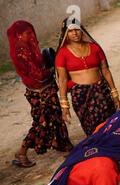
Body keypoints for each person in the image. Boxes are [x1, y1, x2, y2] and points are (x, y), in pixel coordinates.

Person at [7, 21, 73, 168]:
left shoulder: (30, 46)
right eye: (27, 33)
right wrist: (55, 68)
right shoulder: (20, 51)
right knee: (42, 123)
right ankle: (22, 152)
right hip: (38, 91)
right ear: (18, 35)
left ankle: (65, 145)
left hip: (47, 87)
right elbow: (37, 74)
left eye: (31, 32)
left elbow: (41, 64)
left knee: (56, 116)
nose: (31, 36)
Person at [55, 17, 119, 136]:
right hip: (81, 96)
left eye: (77, 29)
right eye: (70, 30)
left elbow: (105, 71)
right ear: (65, 34)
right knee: (93, 130)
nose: (74, 33)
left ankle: (114, 152)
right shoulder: (62, 54)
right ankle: (99, 152)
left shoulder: (95, 47)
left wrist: (114, 93)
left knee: (111, 126)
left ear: (82, 30)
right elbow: (62, 80)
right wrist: (65, 105)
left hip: (101, 91)